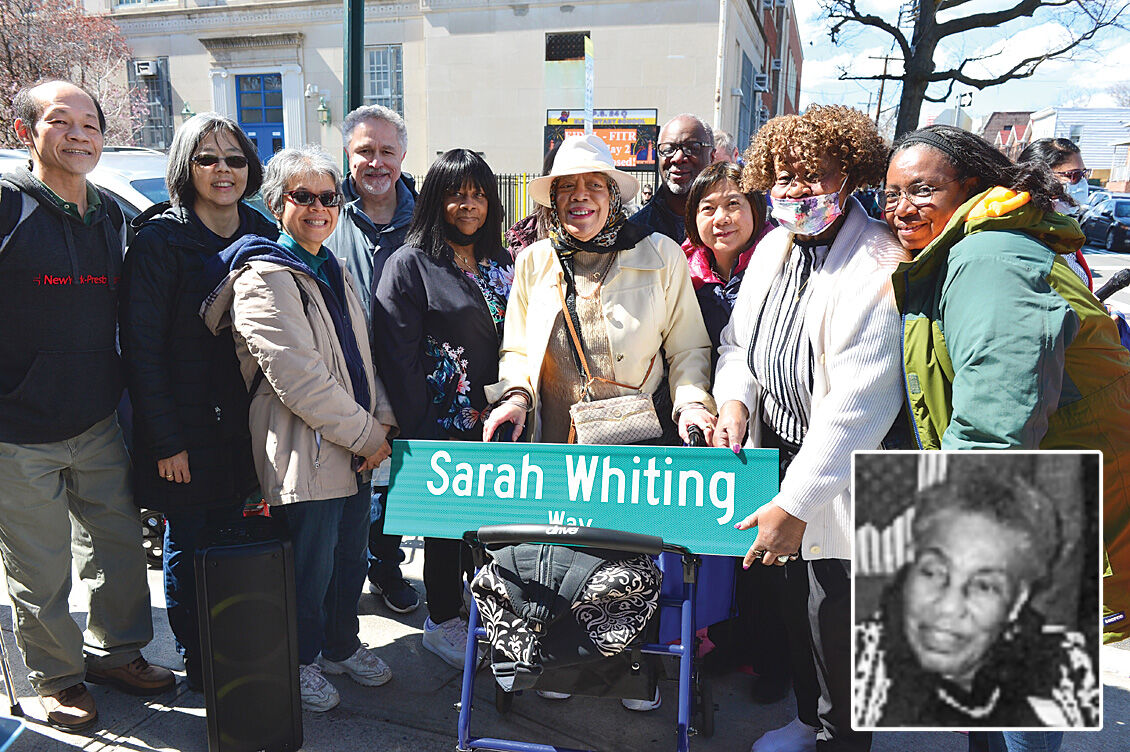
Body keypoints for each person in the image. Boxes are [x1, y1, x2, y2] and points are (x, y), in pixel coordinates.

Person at [884, 123, 1130, 752]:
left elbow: (998, 413)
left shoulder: (988, 259)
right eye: (891, 193)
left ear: (972, 185)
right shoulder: (974, 245)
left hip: (1040, 508)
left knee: (1020, 700)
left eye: (922, 189)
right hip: (1040, 499)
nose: (902, 207)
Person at [482, 132, 716, 711]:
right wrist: (515, 396)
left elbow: (688, 347)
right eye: (567, 188)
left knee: (626, 555)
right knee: (556, 551)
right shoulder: (534, 260)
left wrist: (692, 402)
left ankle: (633, 665)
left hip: (632, 433)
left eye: (593, 185)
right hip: (554, 436)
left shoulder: (660, 252)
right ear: (553, 198)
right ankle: (560, 662)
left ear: (613, 194)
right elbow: (517, 348)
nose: (580, 197)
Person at [711, 105, 909, 752]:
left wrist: (796, 503)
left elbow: (861, 403)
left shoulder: (877, 257)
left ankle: (839, 740)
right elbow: (738, 343)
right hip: (779, 450)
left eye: (814, 175)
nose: (796, 191)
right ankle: (806, 719)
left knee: (839, 621)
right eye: (783, 176)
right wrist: (734, 400)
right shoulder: (774, 246)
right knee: (793, 606)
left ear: (849, 174)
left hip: (840, 472)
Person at [0, 80, 174, 731]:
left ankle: (117, 655)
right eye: (60, 121)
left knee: (117, 549)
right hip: (17, 430)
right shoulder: (8, 204)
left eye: (90, 124)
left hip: (97, 418)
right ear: (26, 132)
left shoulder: (109, 216)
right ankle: (57, 677)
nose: (79, 134)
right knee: (40, 568)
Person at [200, 145, 398, 713]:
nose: (318, 208)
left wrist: (382, 421)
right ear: (276, 204)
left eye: (328, 197)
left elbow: (363, 356)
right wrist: (369, 436)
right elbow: (299, 379)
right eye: (303, 196)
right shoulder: (263, 277)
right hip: (306, 448)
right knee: (309, 569)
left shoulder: (331, 267)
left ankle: (340, 644)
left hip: (356, 444)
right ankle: (301, 659)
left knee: (349, 558)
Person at [120, 113, 275, 691]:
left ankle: (237, 646)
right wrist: (167, 442)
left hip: (247, 426)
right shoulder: (158, 241)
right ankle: (199, 657)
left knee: (238, 538)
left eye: (234, 158)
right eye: (208, 159)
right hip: (183, 430)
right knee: (189, 542)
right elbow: (142, 351)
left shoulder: (261, 231)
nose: (222, 170)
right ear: (187, 168)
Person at [372, 148, 513, 669]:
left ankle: (483, 608)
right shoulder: (409, 264)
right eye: (456, 194)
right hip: (441, 427)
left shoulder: (502, 262)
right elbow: (397, 357)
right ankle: (442, 618)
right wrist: (425, 430)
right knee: (445, 529)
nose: (468, 205)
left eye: (478, 194)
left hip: (501, 422)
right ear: (435, 200)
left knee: (490, 529)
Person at [854, 470, 1098, 729]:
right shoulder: (851, 663)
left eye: (984, 586)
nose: (948, 606)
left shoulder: (1068, 670)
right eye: (933, 572)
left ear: (1017, 602)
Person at [325, 104, 420, 615]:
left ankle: (385, 566)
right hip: (340, 378)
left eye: (387, 151)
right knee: (344, 483)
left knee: (396, 481)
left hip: (407, 374)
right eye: (365, 151)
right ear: (348, 154)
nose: (376, 162)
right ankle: (340, 581)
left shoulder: (425, 219)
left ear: (403, 155)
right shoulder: (324, 210)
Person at [1017, 137, 1092, 288]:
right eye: (1074, 175)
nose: (1082, 183)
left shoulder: (1061, 230)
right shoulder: (1023, 235)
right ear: (1039, 178)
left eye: (1084, 174)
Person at [630, 113, 714, 243]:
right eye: (668, 149)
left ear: (712, 157)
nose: (678, 158)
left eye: (692, 148)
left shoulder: (727, 226)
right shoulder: (636, 232)